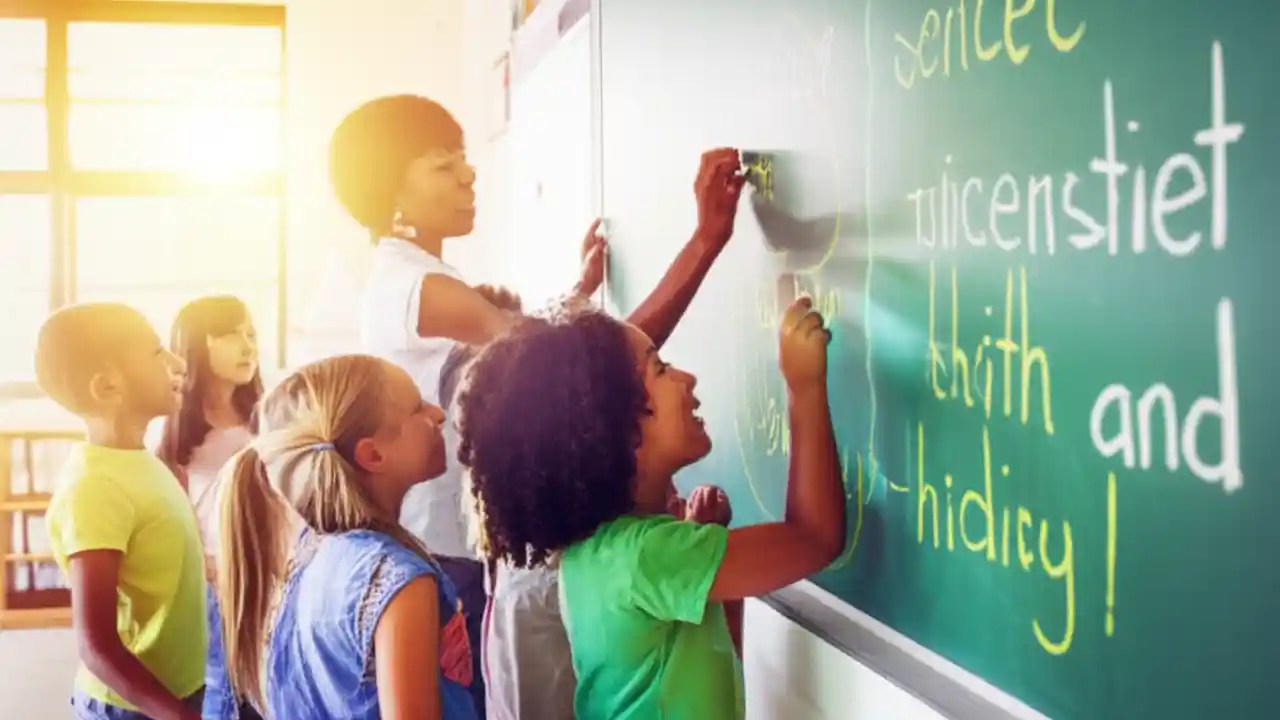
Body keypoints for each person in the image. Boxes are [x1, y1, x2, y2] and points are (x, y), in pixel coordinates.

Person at [330, 92, 747, 714]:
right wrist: (704, 242)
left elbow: (547, 352)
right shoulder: (421, 288)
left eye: (463, 159)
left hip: (470, 550)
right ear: (391, 192)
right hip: (463, 559)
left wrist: (578, 293)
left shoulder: (407, 281)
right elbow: (585, 373)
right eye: (443, 165)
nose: (469, 174)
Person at [456, 297, 846, 719]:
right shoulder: (649, 556)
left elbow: (712, 658)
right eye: (660, 368)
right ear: (618, 429)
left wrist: (707, 553)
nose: (687, 378)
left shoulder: (599, 553)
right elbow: (815, 538)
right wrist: (803, 388)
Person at [205, 354, 477, 720]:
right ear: (372, 454)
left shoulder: (310, 554)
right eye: (417, 408)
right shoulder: (398, 580)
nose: (437, 413)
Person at [36, 303, 205, 720]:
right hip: (135, 707)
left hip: (176, 689)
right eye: (157, 353)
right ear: (108, 387)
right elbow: (97, 647)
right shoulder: (95, 488)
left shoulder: (140, 459)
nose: (178, 363)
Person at [157, 295, 263, 578]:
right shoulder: (171, 427)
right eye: (231, 335)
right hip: (214, 574)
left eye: (250, 334)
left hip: (273, 564)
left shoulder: (269, 416)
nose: (247, 346)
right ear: (195, 345)